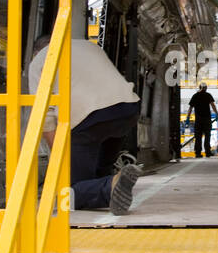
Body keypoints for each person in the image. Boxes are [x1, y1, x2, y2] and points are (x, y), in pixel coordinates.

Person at [28, 36, 141, 214]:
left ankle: (109, 186)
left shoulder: (39, 62)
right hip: (127, 110)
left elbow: (46, 118)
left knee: (69, 192)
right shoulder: (89, 46)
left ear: (36, 51)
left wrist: (60, 156)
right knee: (99, 170)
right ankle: (111, 186)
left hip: (90, 119)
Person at [186, 82, 218, 158]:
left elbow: (190, 108)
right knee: (207, 136)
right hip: (206, 119)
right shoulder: (208, 95)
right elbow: (213, 105)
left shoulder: (195, 96)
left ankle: (198, 153)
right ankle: (207, 152)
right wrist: (216, 113)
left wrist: (188, 117)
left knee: (198, 137)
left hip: (199, 120)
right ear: (205, 88)